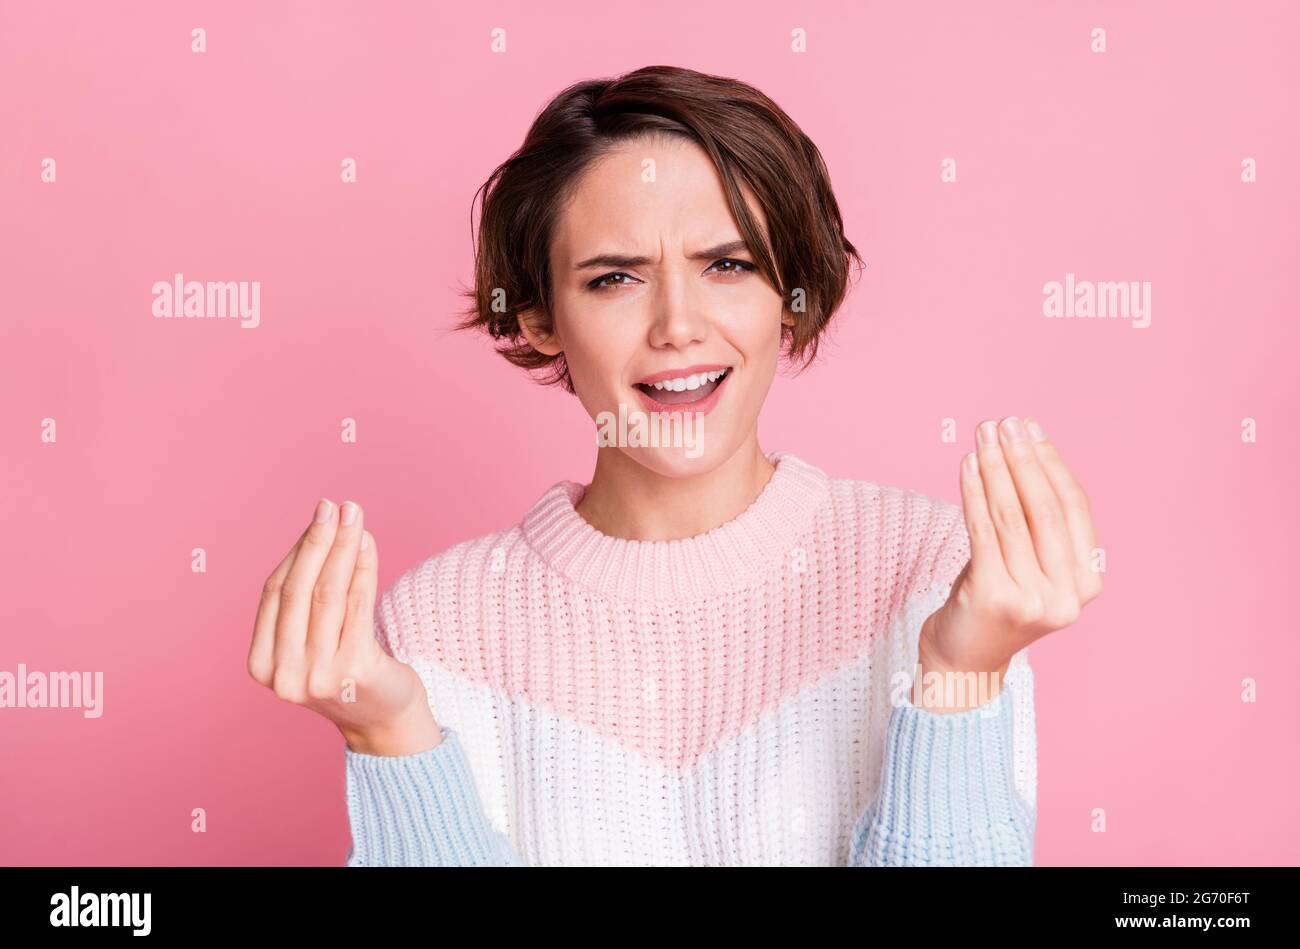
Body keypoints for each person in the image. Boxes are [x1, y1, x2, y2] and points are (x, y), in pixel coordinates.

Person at [247, 65, 1102, 866]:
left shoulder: (930, 574)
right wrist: (389, 742)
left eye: (727, 266)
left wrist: (960, 680)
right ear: (543, 319)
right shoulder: (436, 626)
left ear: (790, 305)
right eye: (616, 278)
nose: (678, 327)